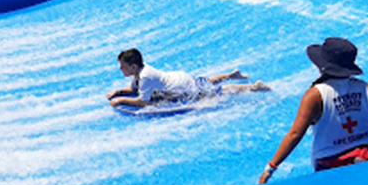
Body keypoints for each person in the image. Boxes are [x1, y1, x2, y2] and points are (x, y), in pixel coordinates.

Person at [258, 37, 368, 183]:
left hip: (333, 165)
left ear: (321, 66)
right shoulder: (365, 88)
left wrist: (270, 168)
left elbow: (295, 134)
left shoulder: (315, 95)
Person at [108, 48, 270, 109]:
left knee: (216, 92)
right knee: (205, 82)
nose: (121, 69)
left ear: (133, 67)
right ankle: (231, 75)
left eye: (123, 66)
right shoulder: (141, 70)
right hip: (179, 77)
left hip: (182, 87)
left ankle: (253, 87)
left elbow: (143, 101)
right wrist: (118, 91)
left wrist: (121, 100)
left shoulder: (145, 77)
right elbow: (133, 90)